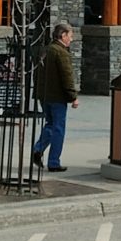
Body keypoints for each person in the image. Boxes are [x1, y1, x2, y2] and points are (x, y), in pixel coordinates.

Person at [31, 22, 79, 172]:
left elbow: (36, 74)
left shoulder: (45, 50)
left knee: (50, 124)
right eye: (70, 36)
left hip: (43, 95)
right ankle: (53, 162)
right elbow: (67, 76)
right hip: (57, 96)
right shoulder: (61, 52)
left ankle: (37, 149)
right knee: (58, 128)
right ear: (63, 35)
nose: (71, 39)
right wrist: (73, 96)